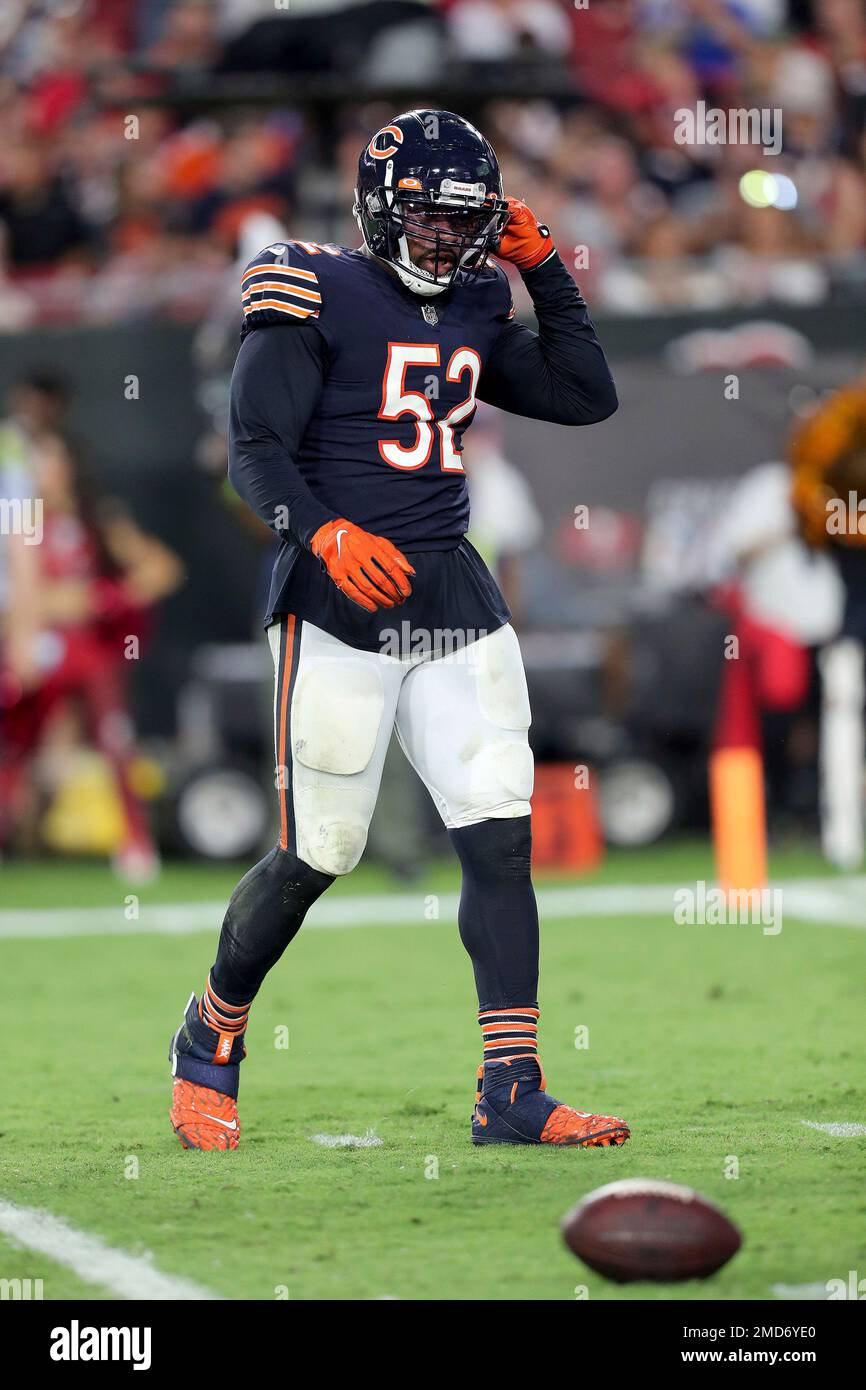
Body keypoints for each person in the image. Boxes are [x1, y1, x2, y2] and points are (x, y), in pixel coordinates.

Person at [168, 109, 626, 1151]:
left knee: (498, 830)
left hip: (449, 593)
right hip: (336, 590)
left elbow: (582, 394)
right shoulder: (308, 282)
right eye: (420, 212)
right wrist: (324, 533)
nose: (438, 234)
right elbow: (254, 450)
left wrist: (547, 270)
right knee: (317, 849)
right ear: (378, 208)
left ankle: (510, 1086)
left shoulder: (474, 293)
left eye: (458, 216)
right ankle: (211, 1027)